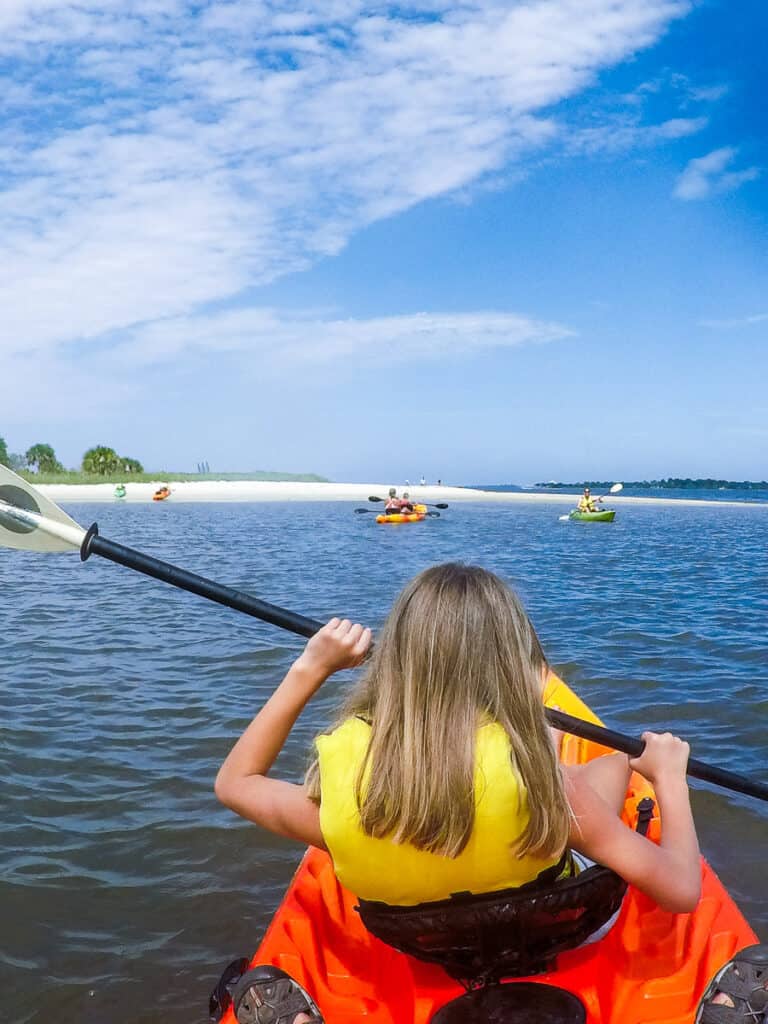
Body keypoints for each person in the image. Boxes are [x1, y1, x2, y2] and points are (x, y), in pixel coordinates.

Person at [215, 564, 701, 1022]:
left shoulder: (343, 794)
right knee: (611, 760)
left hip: (423, 947)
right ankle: (543, 737)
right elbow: (681, 891)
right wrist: (670, 781)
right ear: (515, 666)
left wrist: (309, 669)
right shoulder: (553, 791)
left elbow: (235, 784)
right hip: (550, 932)